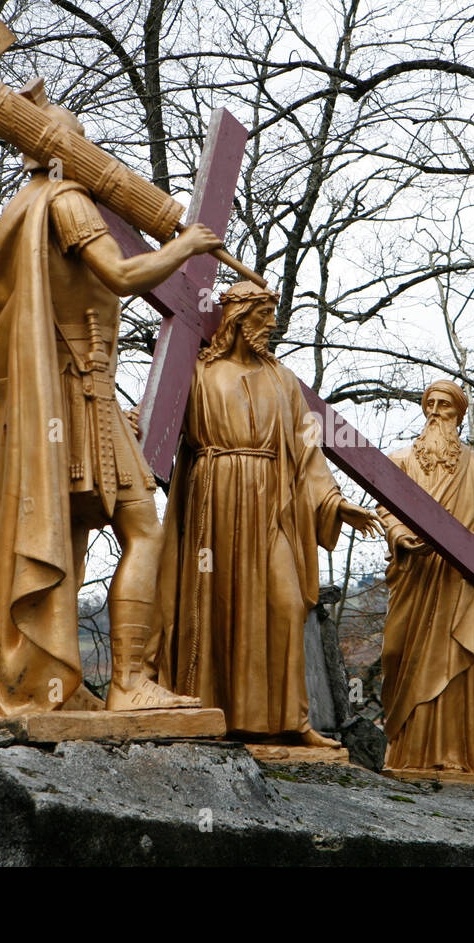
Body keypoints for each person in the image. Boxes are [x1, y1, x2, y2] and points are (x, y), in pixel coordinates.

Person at [0, 94, 222, 717]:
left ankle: (53, 681)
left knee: (70, 534)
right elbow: (122, 276)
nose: (91, 154)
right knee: (143, 528)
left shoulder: (17, 211)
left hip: (57, 398)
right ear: (62, 151)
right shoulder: (68, 202)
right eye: (80, 142)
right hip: (82, 393)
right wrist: (186, 248)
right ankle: (130, 679)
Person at [150, 282, 381, 745]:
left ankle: (292, 721)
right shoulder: (198, 373)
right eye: (262, 316)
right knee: (216, 604)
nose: (271, 325)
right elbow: (158, 425)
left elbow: (308, 449)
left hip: (273, 503)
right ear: (237, 320)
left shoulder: (283, 380)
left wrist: (334, 502)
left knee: (286, 601)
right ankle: (211, 715)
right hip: (214, 500)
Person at [378, 381, 474, 777]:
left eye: (444, 405)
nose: (435, 411)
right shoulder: (401, 461)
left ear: (459, 415)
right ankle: (405, 754)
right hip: (416, 579)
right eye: (430, 403)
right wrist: (398, 534)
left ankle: (455, 757)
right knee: (397, 656)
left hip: (460, 586)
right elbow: (385, 508)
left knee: (455, 667)